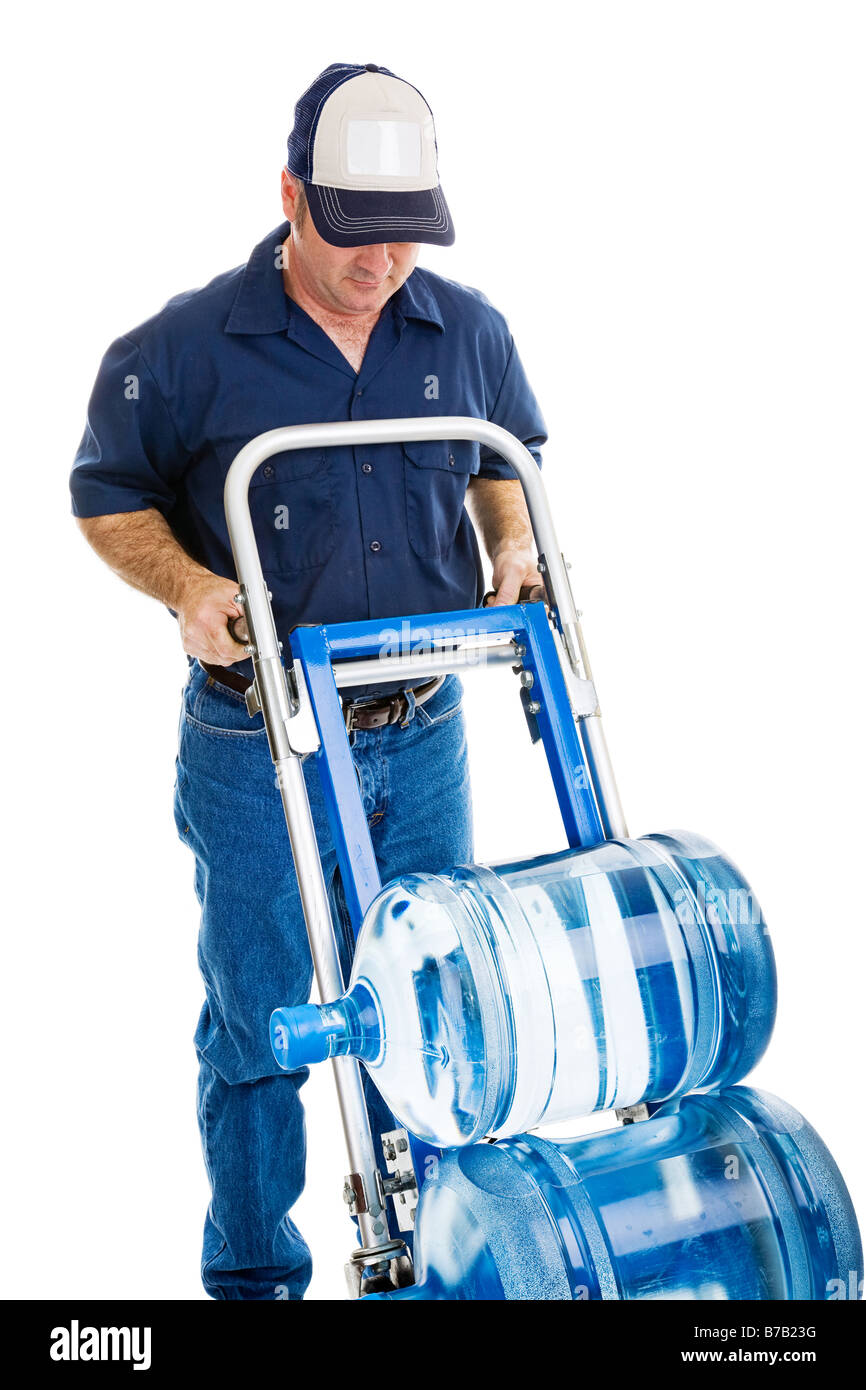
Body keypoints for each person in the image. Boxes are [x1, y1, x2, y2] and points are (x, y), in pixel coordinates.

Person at [70, 61, 547, 1300]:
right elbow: (107, 493)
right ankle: (253, 1276)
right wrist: (188, 589)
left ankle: (440, 1260)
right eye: (353, 237)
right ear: (290, 194)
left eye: (404, 239)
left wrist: (515, 546)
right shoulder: (178, 352)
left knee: (442, 1000)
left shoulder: (467, 329)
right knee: (261, 1019)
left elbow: (506, 458)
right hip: (258, 736)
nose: (379, 265)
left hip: (423, 720)